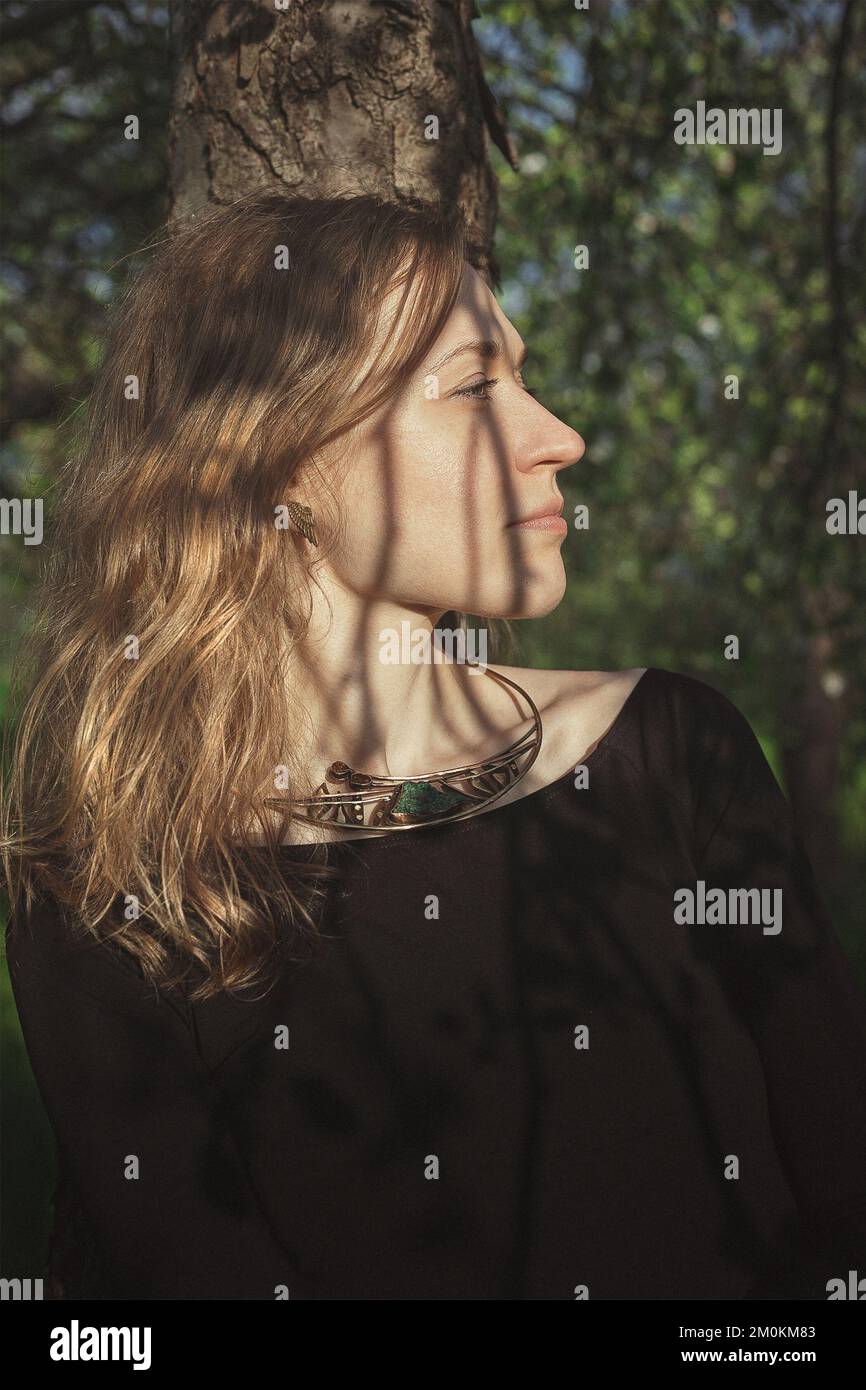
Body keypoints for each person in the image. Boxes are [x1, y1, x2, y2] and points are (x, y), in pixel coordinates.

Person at [3, 191, 865, 1301]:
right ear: (278, 461)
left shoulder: (672, 753)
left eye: (524, 375)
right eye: (472, 389)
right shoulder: (121, 868)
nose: (559, 435)